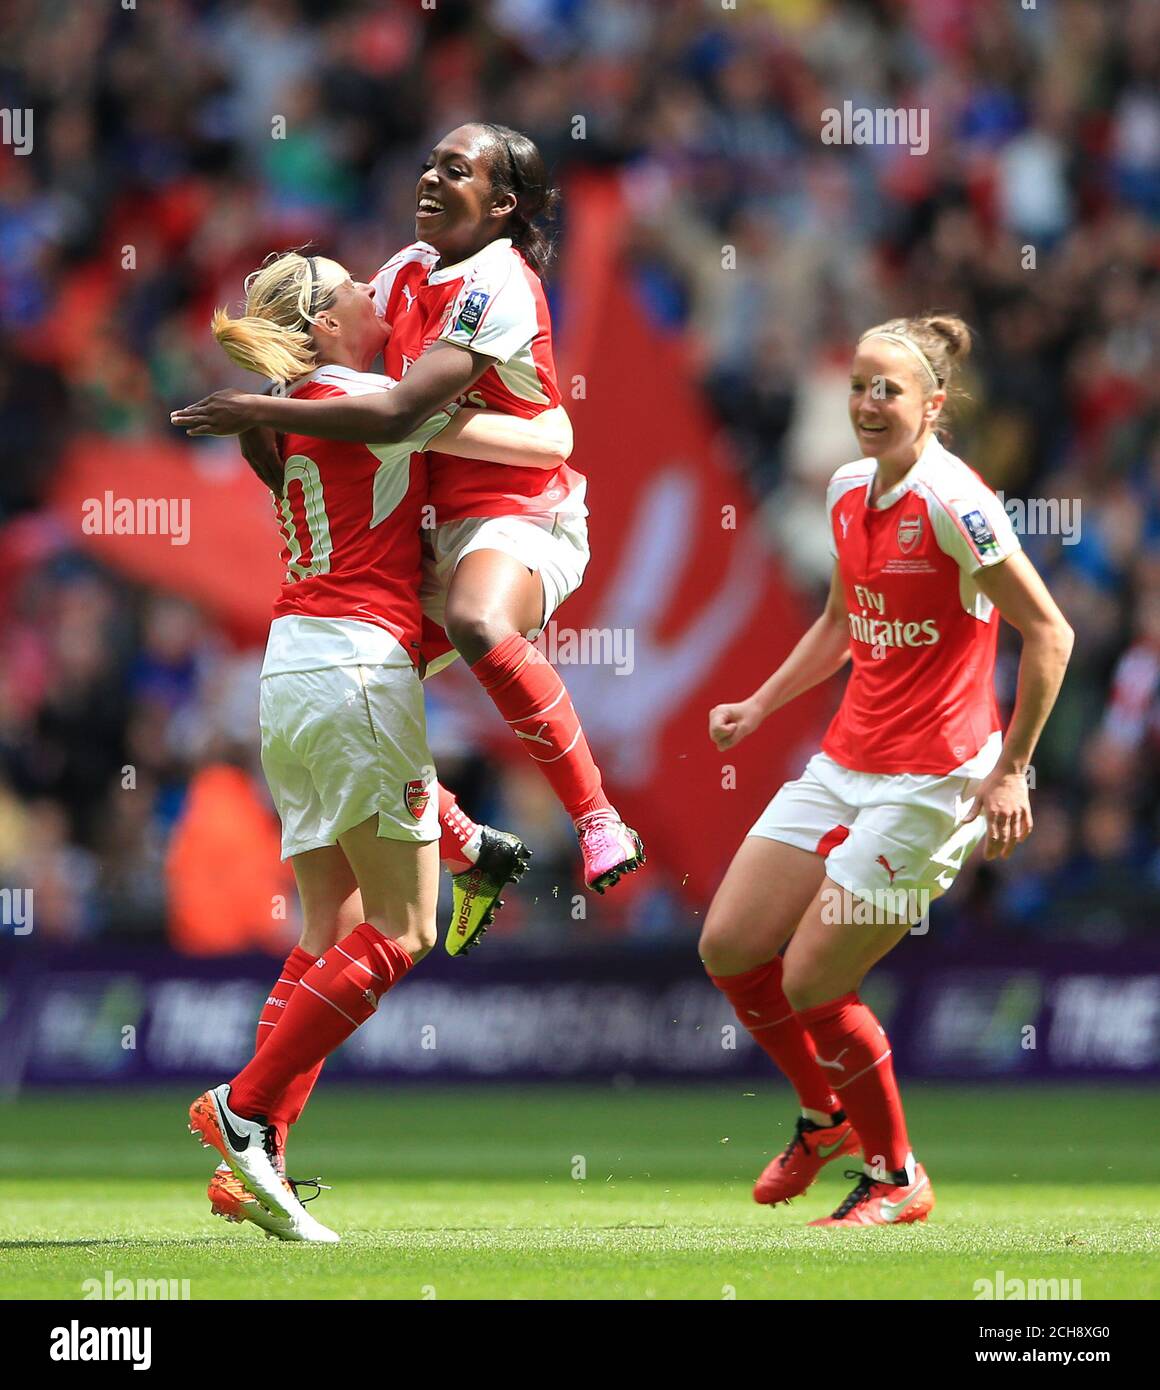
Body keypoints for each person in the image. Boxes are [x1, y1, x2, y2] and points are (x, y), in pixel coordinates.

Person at [187, 250, 580, 1241]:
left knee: (328, 931)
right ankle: (242, 1109)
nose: (374, 287)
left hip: (289, 674)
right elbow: (538, 447)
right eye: (349, 284)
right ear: (324, 324)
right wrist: (558, 425)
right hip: (360, 671)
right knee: (402, 931)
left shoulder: (293, 417)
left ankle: (260, 1154)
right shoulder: (367, 395)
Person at [171, 123, 645, 895]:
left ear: (501, 205)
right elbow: (349, 366)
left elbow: (397, 414)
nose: (428, 178)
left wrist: (262, 405)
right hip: (434, 530)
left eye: (454, 171)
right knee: (360, 693)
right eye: (428, 163)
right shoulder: (406, 271)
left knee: (478, 622)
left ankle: (596, 818)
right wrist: (266, 406)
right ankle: (470, 851)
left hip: (522, 511)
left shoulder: (500, 283)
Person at [699, 314, 1074, 1226]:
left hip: (934, 781)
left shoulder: (958, 504)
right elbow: (841, 620)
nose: (868, 404)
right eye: (859, 387)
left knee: (813, 981)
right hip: (847, 758)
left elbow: (1050, 632)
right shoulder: (844, 489)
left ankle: (897, 1175)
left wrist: (1013, 770)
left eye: (888, 390)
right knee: (730, 944)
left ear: (933, 405)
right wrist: (761, 704)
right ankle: (823, 1113)